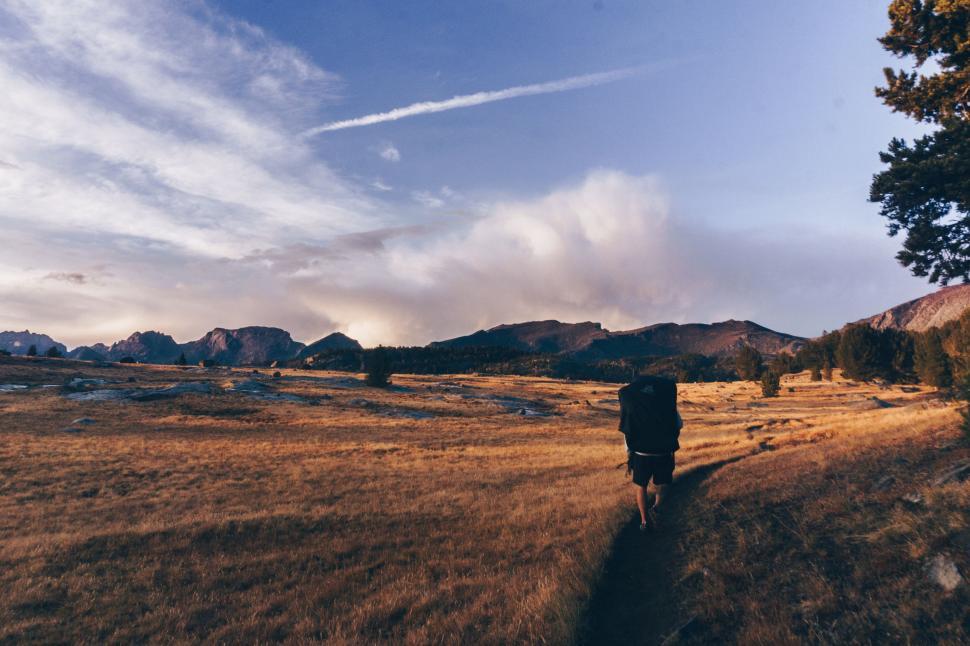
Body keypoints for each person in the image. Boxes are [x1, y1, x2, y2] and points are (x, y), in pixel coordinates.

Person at [618, 375, 683, 532]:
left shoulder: (632, 404)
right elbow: (679, 425)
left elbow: (627, 431)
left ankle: (644, 521)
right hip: (663, 452)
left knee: (641, 487)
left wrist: (629, 450)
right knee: (662, 484)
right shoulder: (667, 403)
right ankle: (657, 507)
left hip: (641, 453)